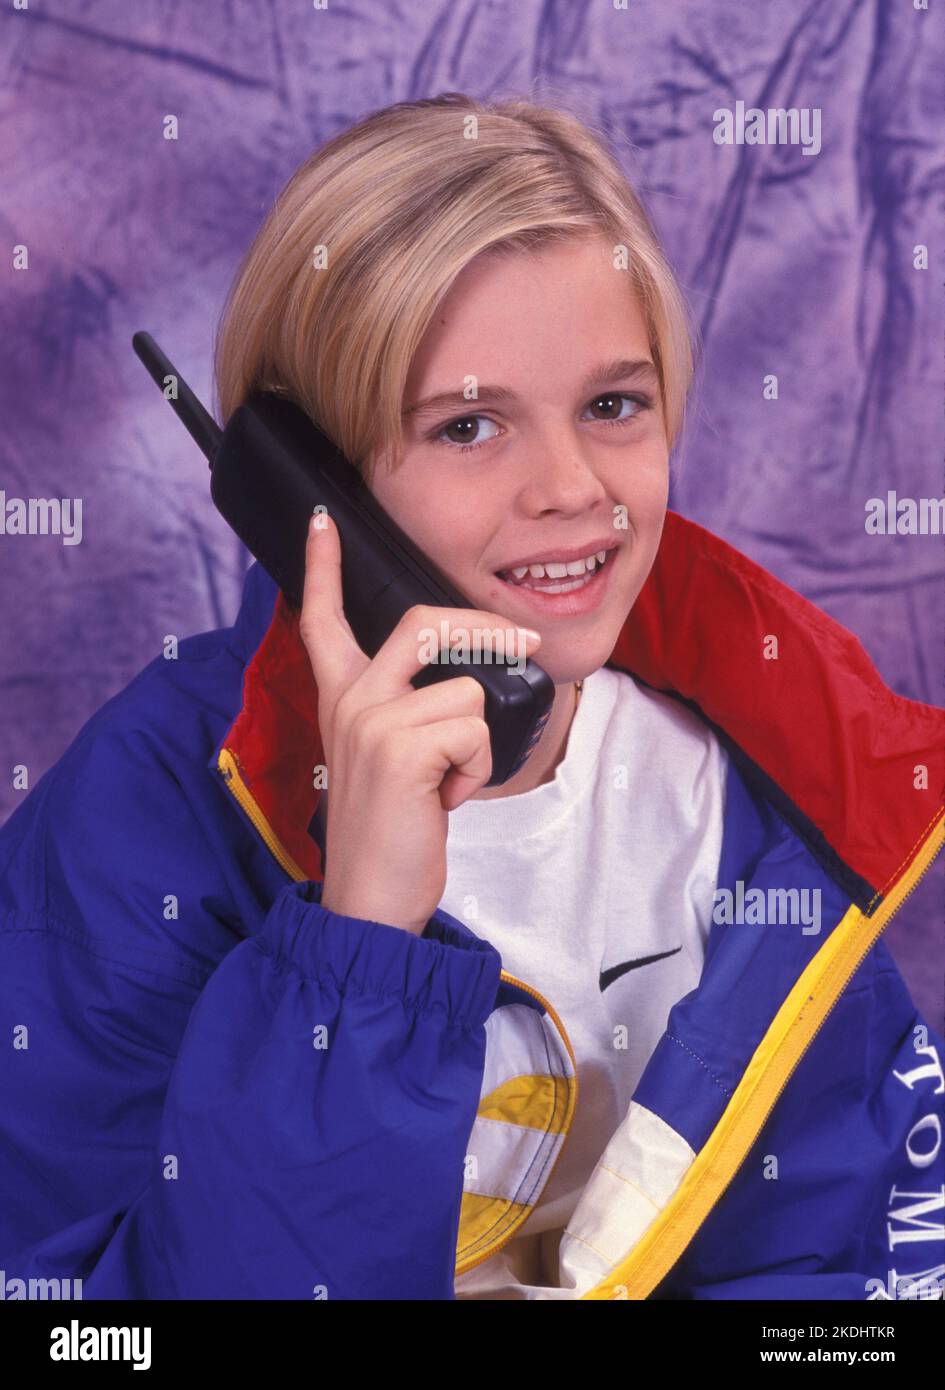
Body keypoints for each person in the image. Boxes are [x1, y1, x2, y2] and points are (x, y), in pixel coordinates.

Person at [0, 92, 942, 1302]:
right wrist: (359, 945)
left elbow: (836, 1259)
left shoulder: (774, 788)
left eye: (613, 406)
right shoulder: (135, 824)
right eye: (469, 425)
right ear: (309, 486)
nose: (570, 489)